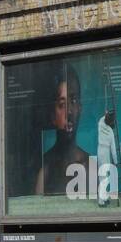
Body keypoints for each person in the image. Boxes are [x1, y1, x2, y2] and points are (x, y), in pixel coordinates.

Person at [35, 66, 90, 196]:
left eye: (73, 101)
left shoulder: (91, 166)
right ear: (53, 115)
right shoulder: (45, 168)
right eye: (61, 105)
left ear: (80, 108)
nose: (69, 111)